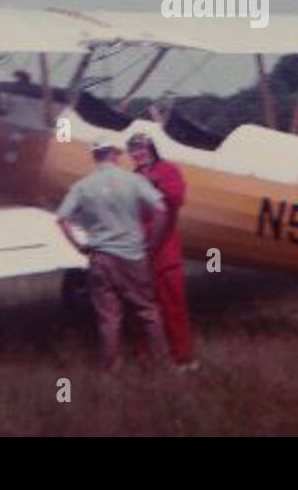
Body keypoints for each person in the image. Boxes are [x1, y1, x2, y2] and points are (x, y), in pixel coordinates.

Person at [56, 140, 168, 372]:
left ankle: (111, 371)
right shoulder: (134, 180)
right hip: (132, 255)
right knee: (148, 311)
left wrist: (79, 246)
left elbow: (62, 219)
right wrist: (153, 243)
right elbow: (161, 209)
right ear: (116, 155)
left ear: (94, 157)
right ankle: (160, 365)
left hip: (100, 257)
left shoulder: (82, 186)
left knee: (109, 318)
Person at [127, 132, 197, 370]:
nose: (138, 153)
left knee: (174, 307)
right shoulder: (132, 177)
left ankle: (183, 357)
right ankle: (147, 357)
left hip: (166, 251)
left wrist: (155, 182)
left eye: (142, 148)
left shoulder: (168, 169)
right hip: (140, 253)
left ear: (152, 149)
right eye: (133, 150)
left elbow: (178, 197)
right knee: (141, 310)